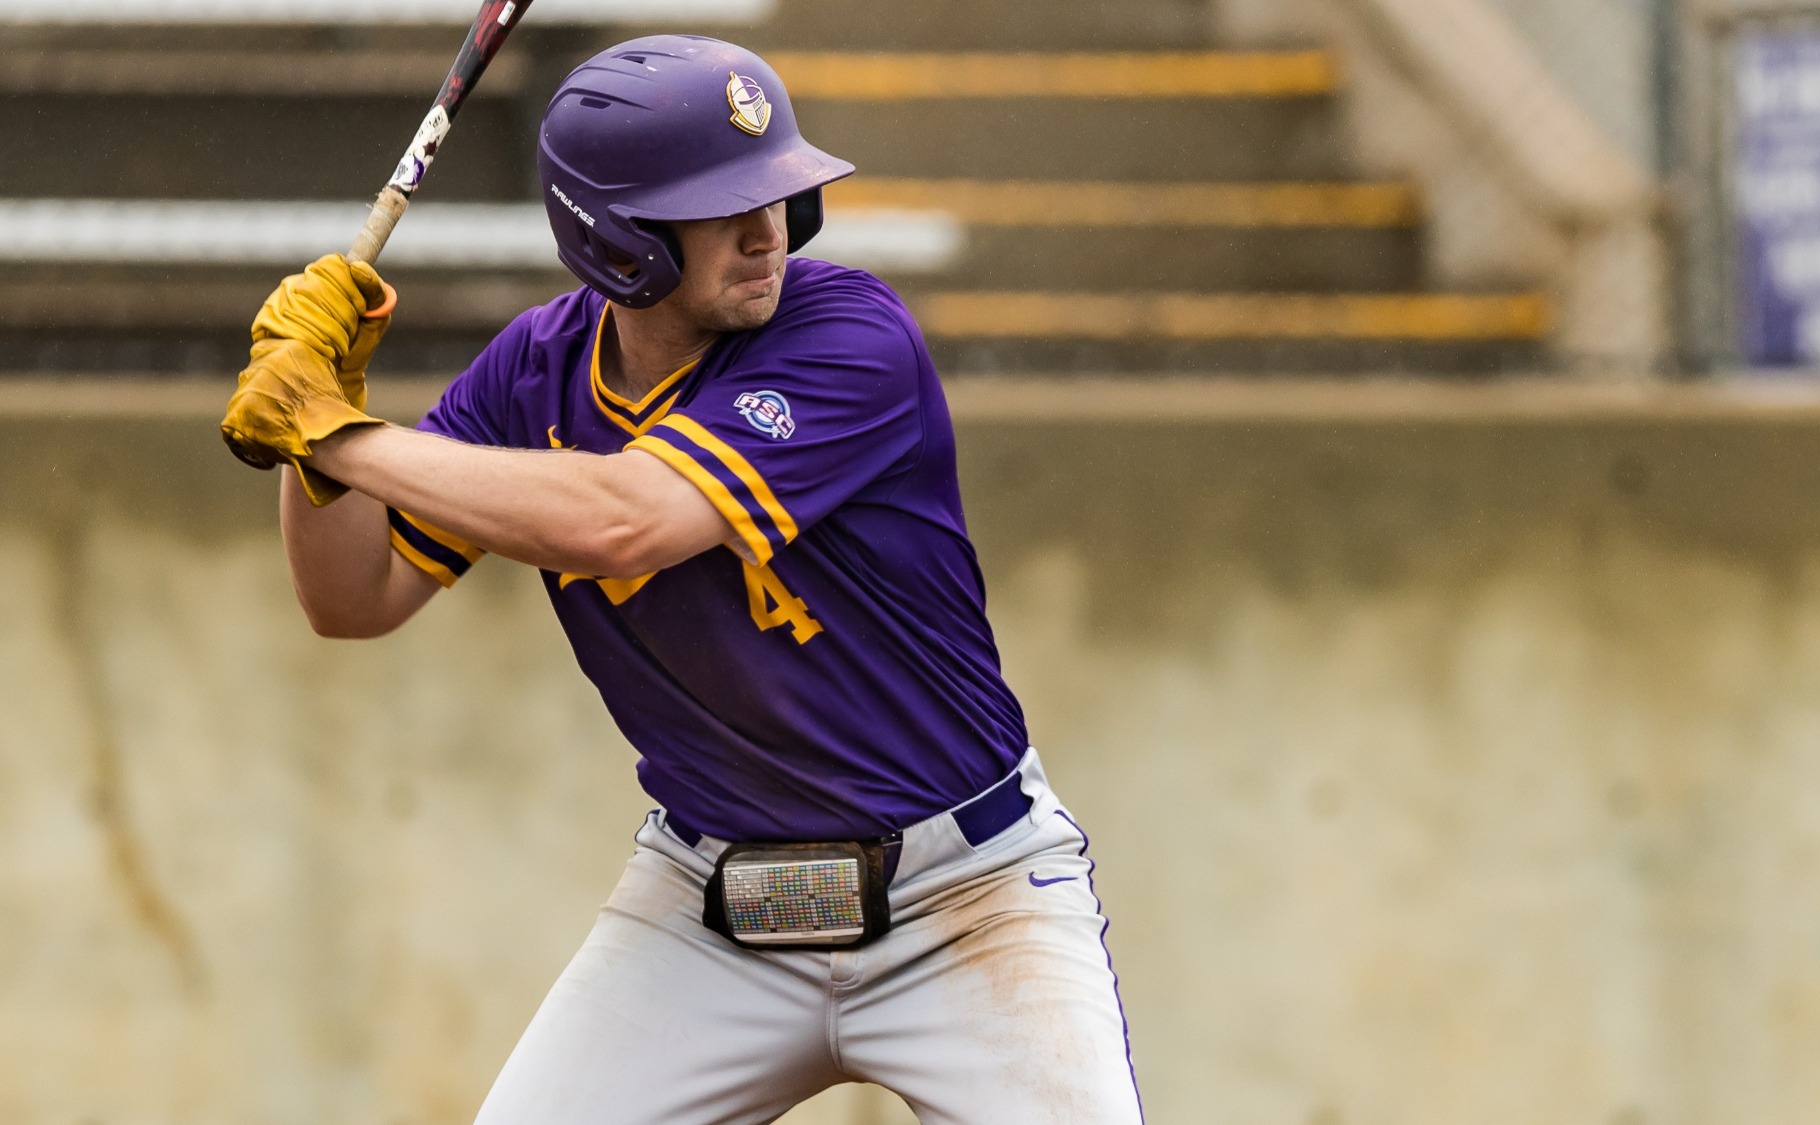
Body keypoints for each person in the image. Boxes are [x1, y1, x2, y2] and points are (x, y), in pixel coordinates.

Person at [219, 34, 1144, 1125]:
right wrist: (317, 421)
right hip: (708, 913)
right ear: (617, 240)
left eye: (782, 195)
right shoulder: (532, 371)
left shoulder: (849, 332)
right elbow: (349, 601)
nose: (768, 231)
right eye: (722, 205)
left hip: (970, 902)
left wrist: (337, 437)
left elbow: (629, 522)